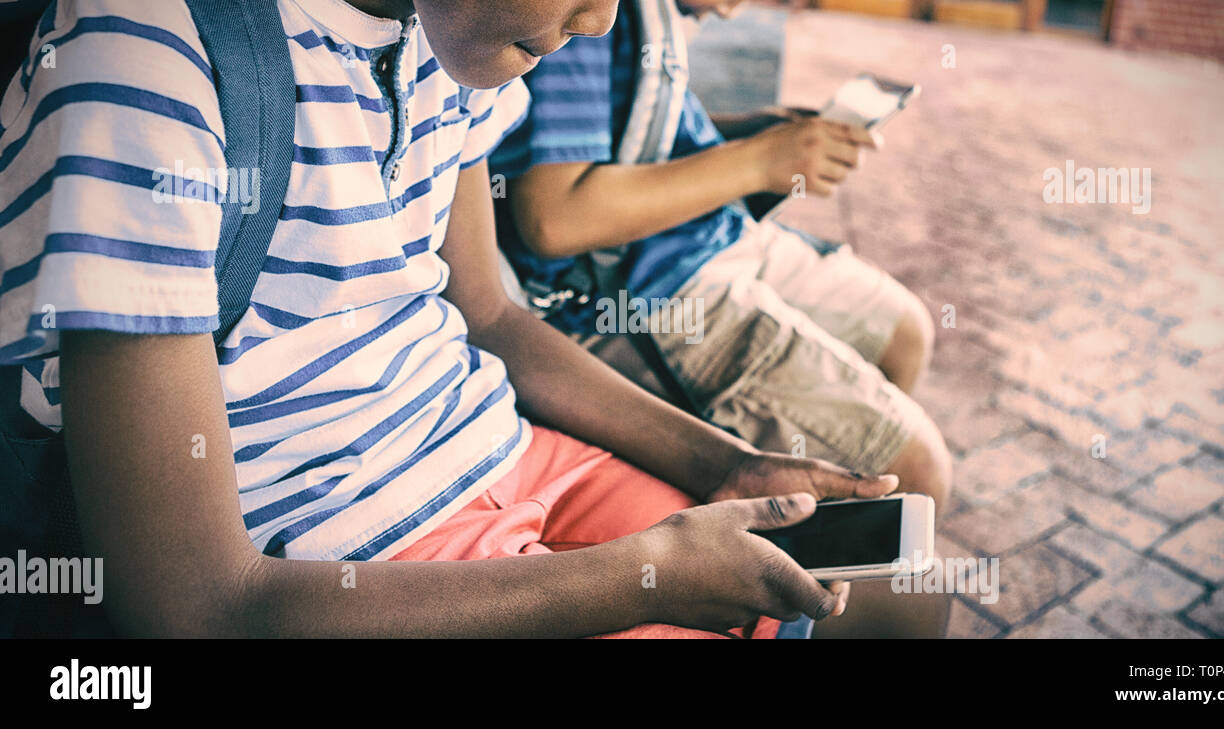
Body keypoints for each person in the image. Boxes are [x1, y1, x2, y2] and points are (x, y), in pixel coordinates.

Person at [0, 0, 900, 638]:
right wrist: (640, 576)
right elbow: (194, 605)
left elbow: (490, 315)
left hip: (507, 451)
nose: (603, 21)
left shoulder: (438, 35)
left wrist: (726, 461)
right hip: (338, 557)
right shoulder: (145, 59)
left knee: (893, 588)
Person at [490, 0, 951, 512]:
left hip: (712, 232)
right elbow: (555, 219)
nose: (737, 12)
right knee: (917, 470)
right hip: (638, 286)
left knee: (905, 331)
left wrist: (747, 133)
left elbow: (626, 126)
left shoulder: (657, 17)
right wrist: (759, 161)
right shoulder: (581, 15)